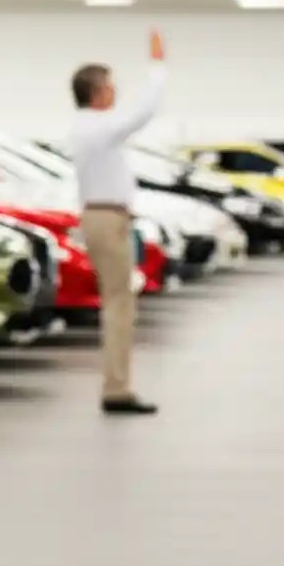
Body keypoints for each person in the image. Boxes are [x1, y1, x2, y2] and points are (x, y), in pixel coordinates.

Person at [68, 30, 167, 416]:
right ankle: (117, 388)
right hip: (106, 218)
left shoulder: (89, 127)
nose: (115, 92)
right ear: (96, 93)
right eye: (110, 86)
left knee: (119, 301)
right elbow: (144, 111)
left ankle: (117, 384)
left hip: (107, 217)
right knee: (119, 304)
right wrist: (157, 67)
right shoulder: (95, 126)